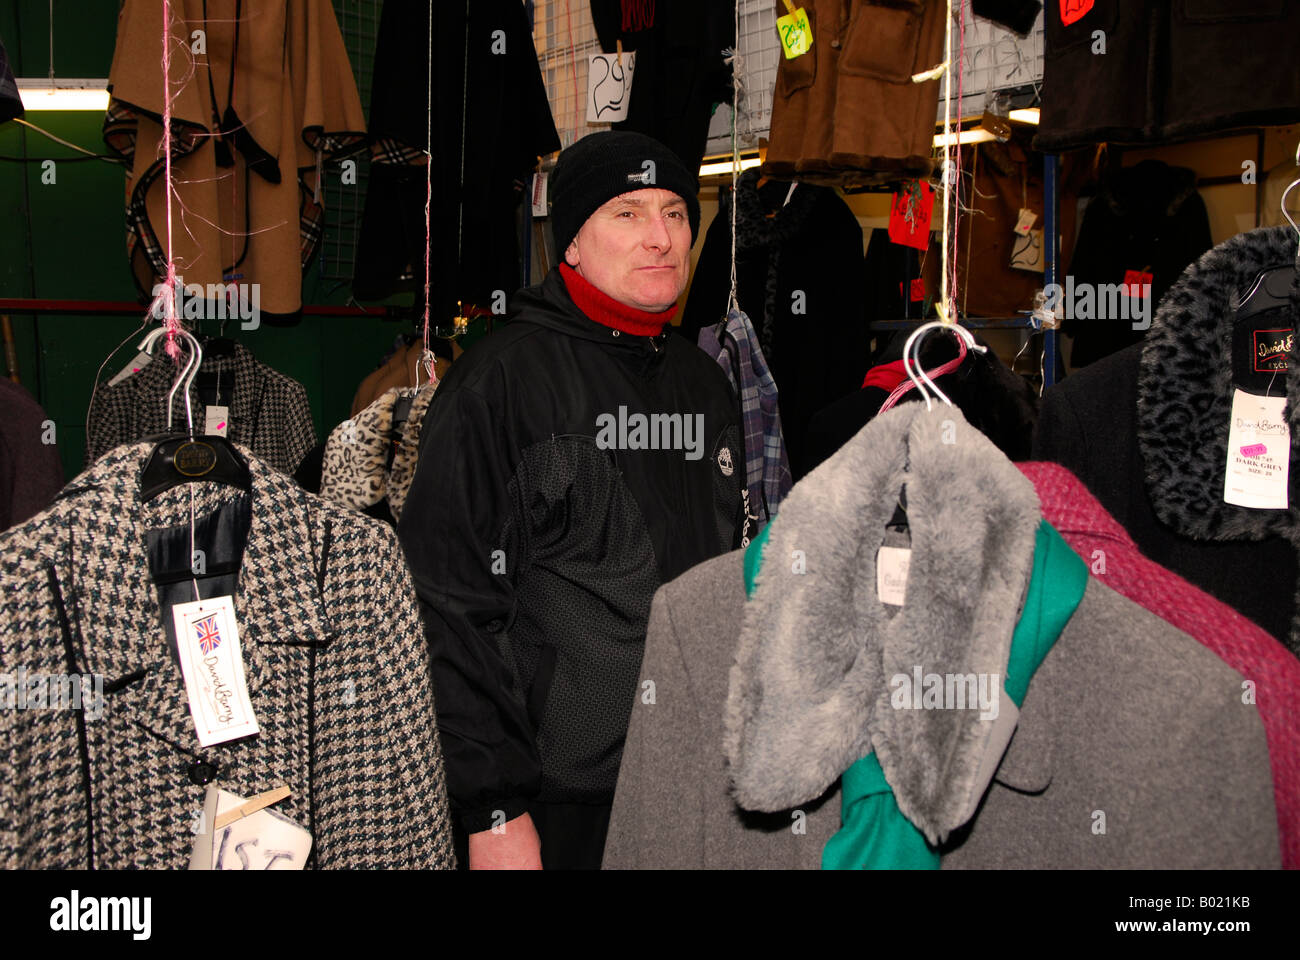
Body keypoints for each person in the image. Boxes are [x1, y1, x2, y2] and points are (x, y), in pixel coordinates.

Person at [397, 131, 747, 869]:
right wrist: (492, 807)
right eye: (628, 213)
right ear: (573, 243)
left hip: (696, 783)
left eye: (677, 214)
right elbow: (448, 606)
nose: (660, 238)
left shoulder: (704, 382)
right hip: (558, 804)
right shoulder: (501, 383)